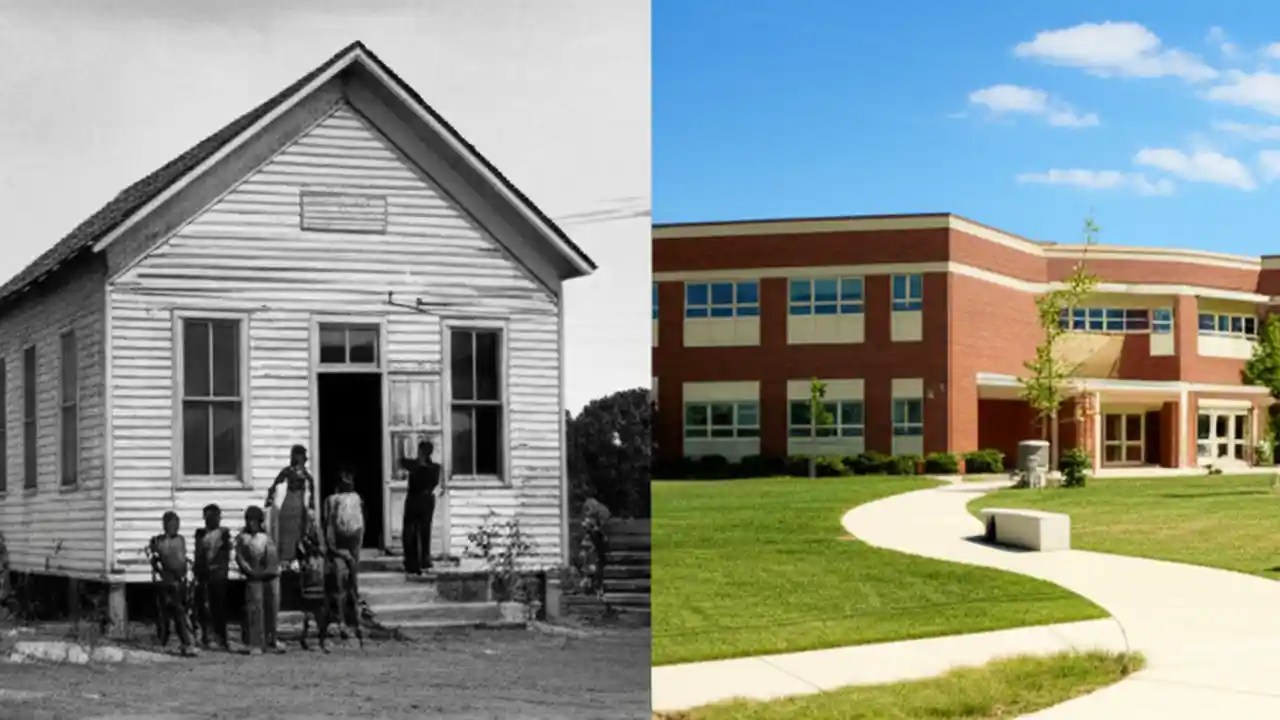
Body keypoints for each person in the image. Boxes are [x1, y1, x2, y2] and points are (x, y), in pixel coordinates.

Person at [149, 511, 199, 657]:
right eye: (170, 524)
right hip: (166, 579)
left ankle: (187, 642)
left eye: (175, 523)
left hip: (179, 580)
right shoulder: (159, 541)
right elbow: (156, 557)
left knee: (181, 612)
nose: (173, 527)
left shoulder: (179, 540)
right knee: (163, 613)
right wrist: (157, 565)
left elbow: (178, 559)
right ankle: (164, 640)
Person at [235, 505, 283, 655]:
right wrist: (250, 571)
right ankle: (255, 642)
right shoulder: (243, 538)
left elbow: (274, 557)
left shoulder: (267, 537)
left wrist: (269, 569)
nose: (251, 524)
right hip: (253, 577)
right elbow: (240, 558)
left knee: (271, 608)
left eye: (255, 521)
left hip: (270, 575)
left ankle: (271, 640)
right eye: (249, 521)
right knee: (255, 609)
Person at [264, 444, 316, 573]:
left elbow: (311, 499)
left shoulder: (307, 478)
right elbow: (272, 493)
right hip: (284, 514)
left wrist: (311, 512)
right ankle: (283, 566)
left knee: (299, 542)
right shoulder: (285, 473)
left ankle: (297, 566)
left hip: (300, 515)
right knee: (283, 542)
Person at [398, 440, 440, 577]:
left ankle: (412, 562)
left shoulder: (416, 466)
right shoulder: (435, 468)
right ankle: (424, 560)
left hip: (415, 499)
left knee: (410, 532)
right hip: (427, 500)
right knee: (424, 531)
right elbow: (434, 483)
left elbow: (401, 461)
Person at [193, 504, 231, 651]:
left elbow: (225, 555)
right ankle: (207, 636)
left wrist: (219, 568)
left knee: (219, 606)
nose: (213, 520)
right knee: (203, 606)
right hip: (203, 574)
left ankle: (221, 637)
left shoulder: (223, 534)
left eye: (215, 516)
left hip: (218, 575)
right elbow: (198, 554)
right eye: (209, 517)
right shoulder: (201, 534)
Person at [324, 467, 364, 595]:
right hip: (342, 534)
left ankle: (352, 589)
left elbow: (360, 518)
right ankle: (348, 590)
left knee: (352, 563)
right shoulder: (334, 499)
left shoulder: (355, 498)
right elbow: (329, 520)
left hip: (353, 533)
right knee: (346, 563)